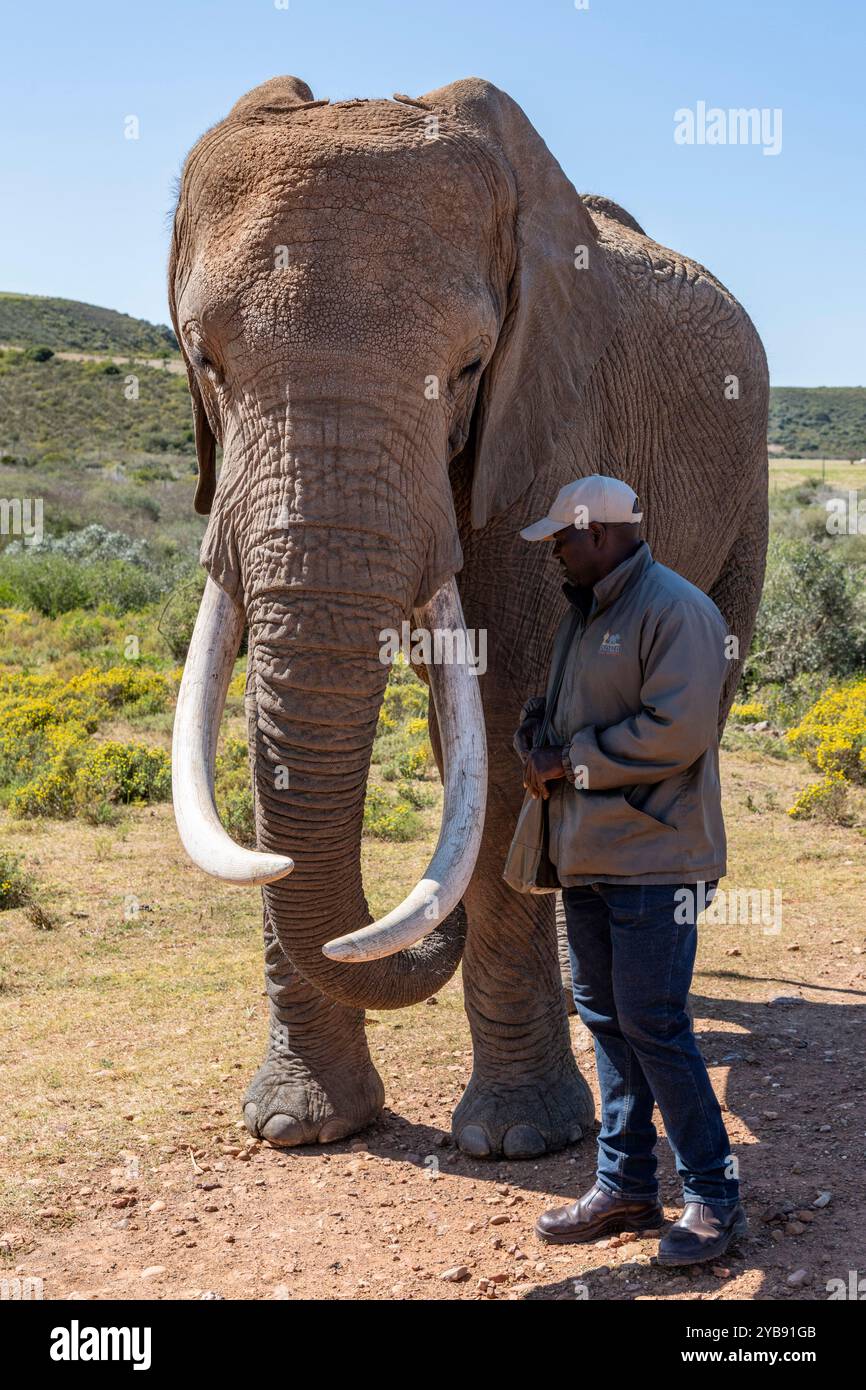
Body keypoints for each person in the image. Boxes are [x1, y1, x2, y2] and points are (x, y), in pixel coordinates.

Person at [510, 473, 747, 1267]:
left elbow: (676, 732)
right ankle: (628, 1187)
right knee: (608, 1020)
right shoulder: (584, 615)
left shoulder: (676, 610)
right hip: (587, 854)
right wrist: (532, 737)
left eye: (563, 539)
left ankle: (713, 1197)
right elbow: (567, 712)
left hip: (655, 858)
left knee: (654, 1021)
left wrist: (569, 762)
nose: (554, 555)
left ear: (602, 532)